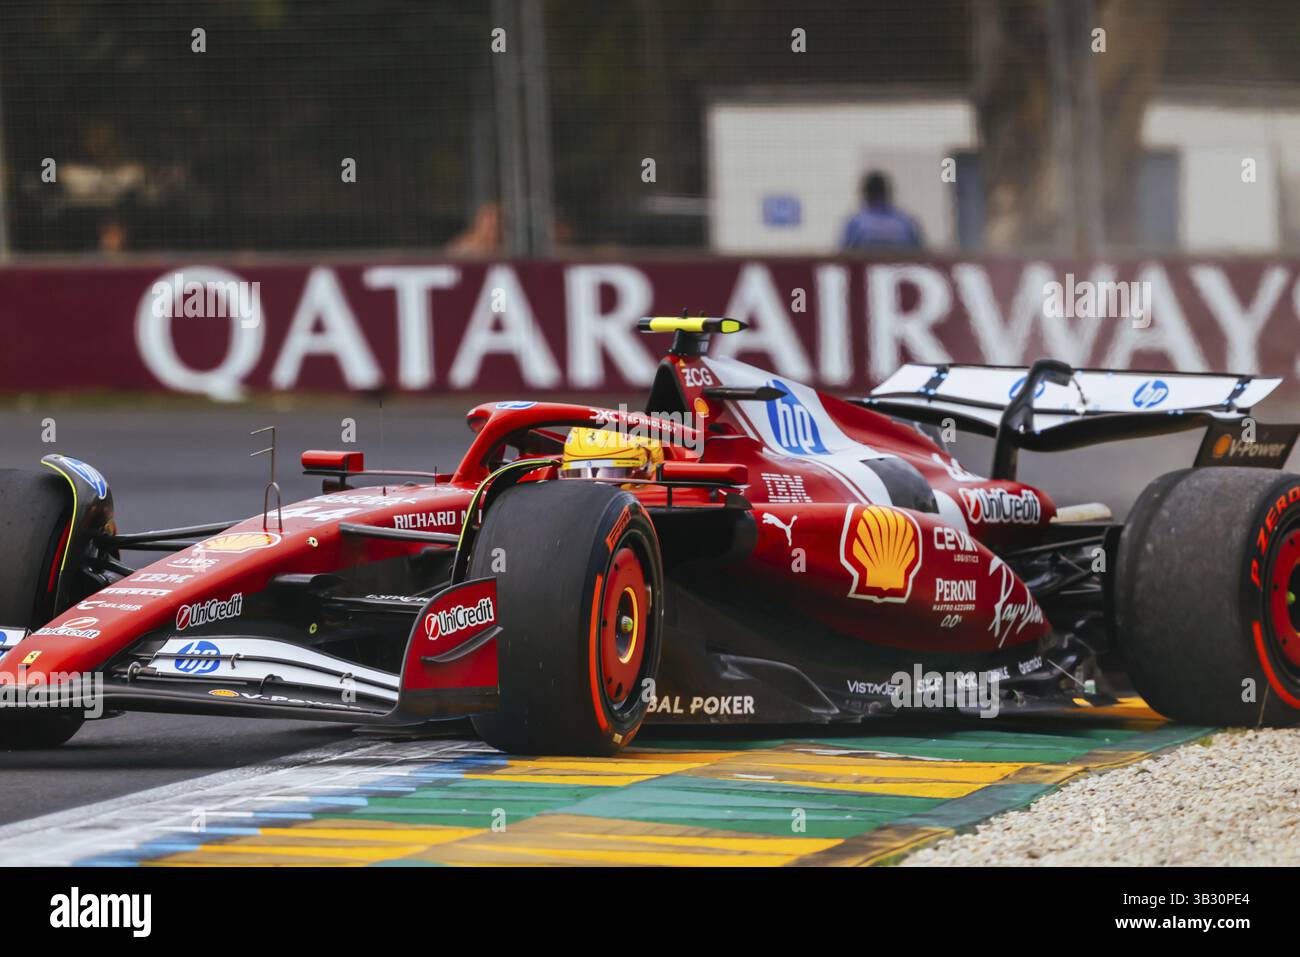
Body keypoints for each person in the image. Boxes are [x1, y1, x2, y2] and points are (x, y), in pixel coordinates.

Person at [840, 171, 923, 250]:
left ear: (865, 194)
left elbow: (843, 254)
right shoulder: (905, 222)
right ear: (889, 193)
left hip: (867, 264)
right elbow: (922, 255)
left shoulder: (856, 223)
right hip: (901, 264)